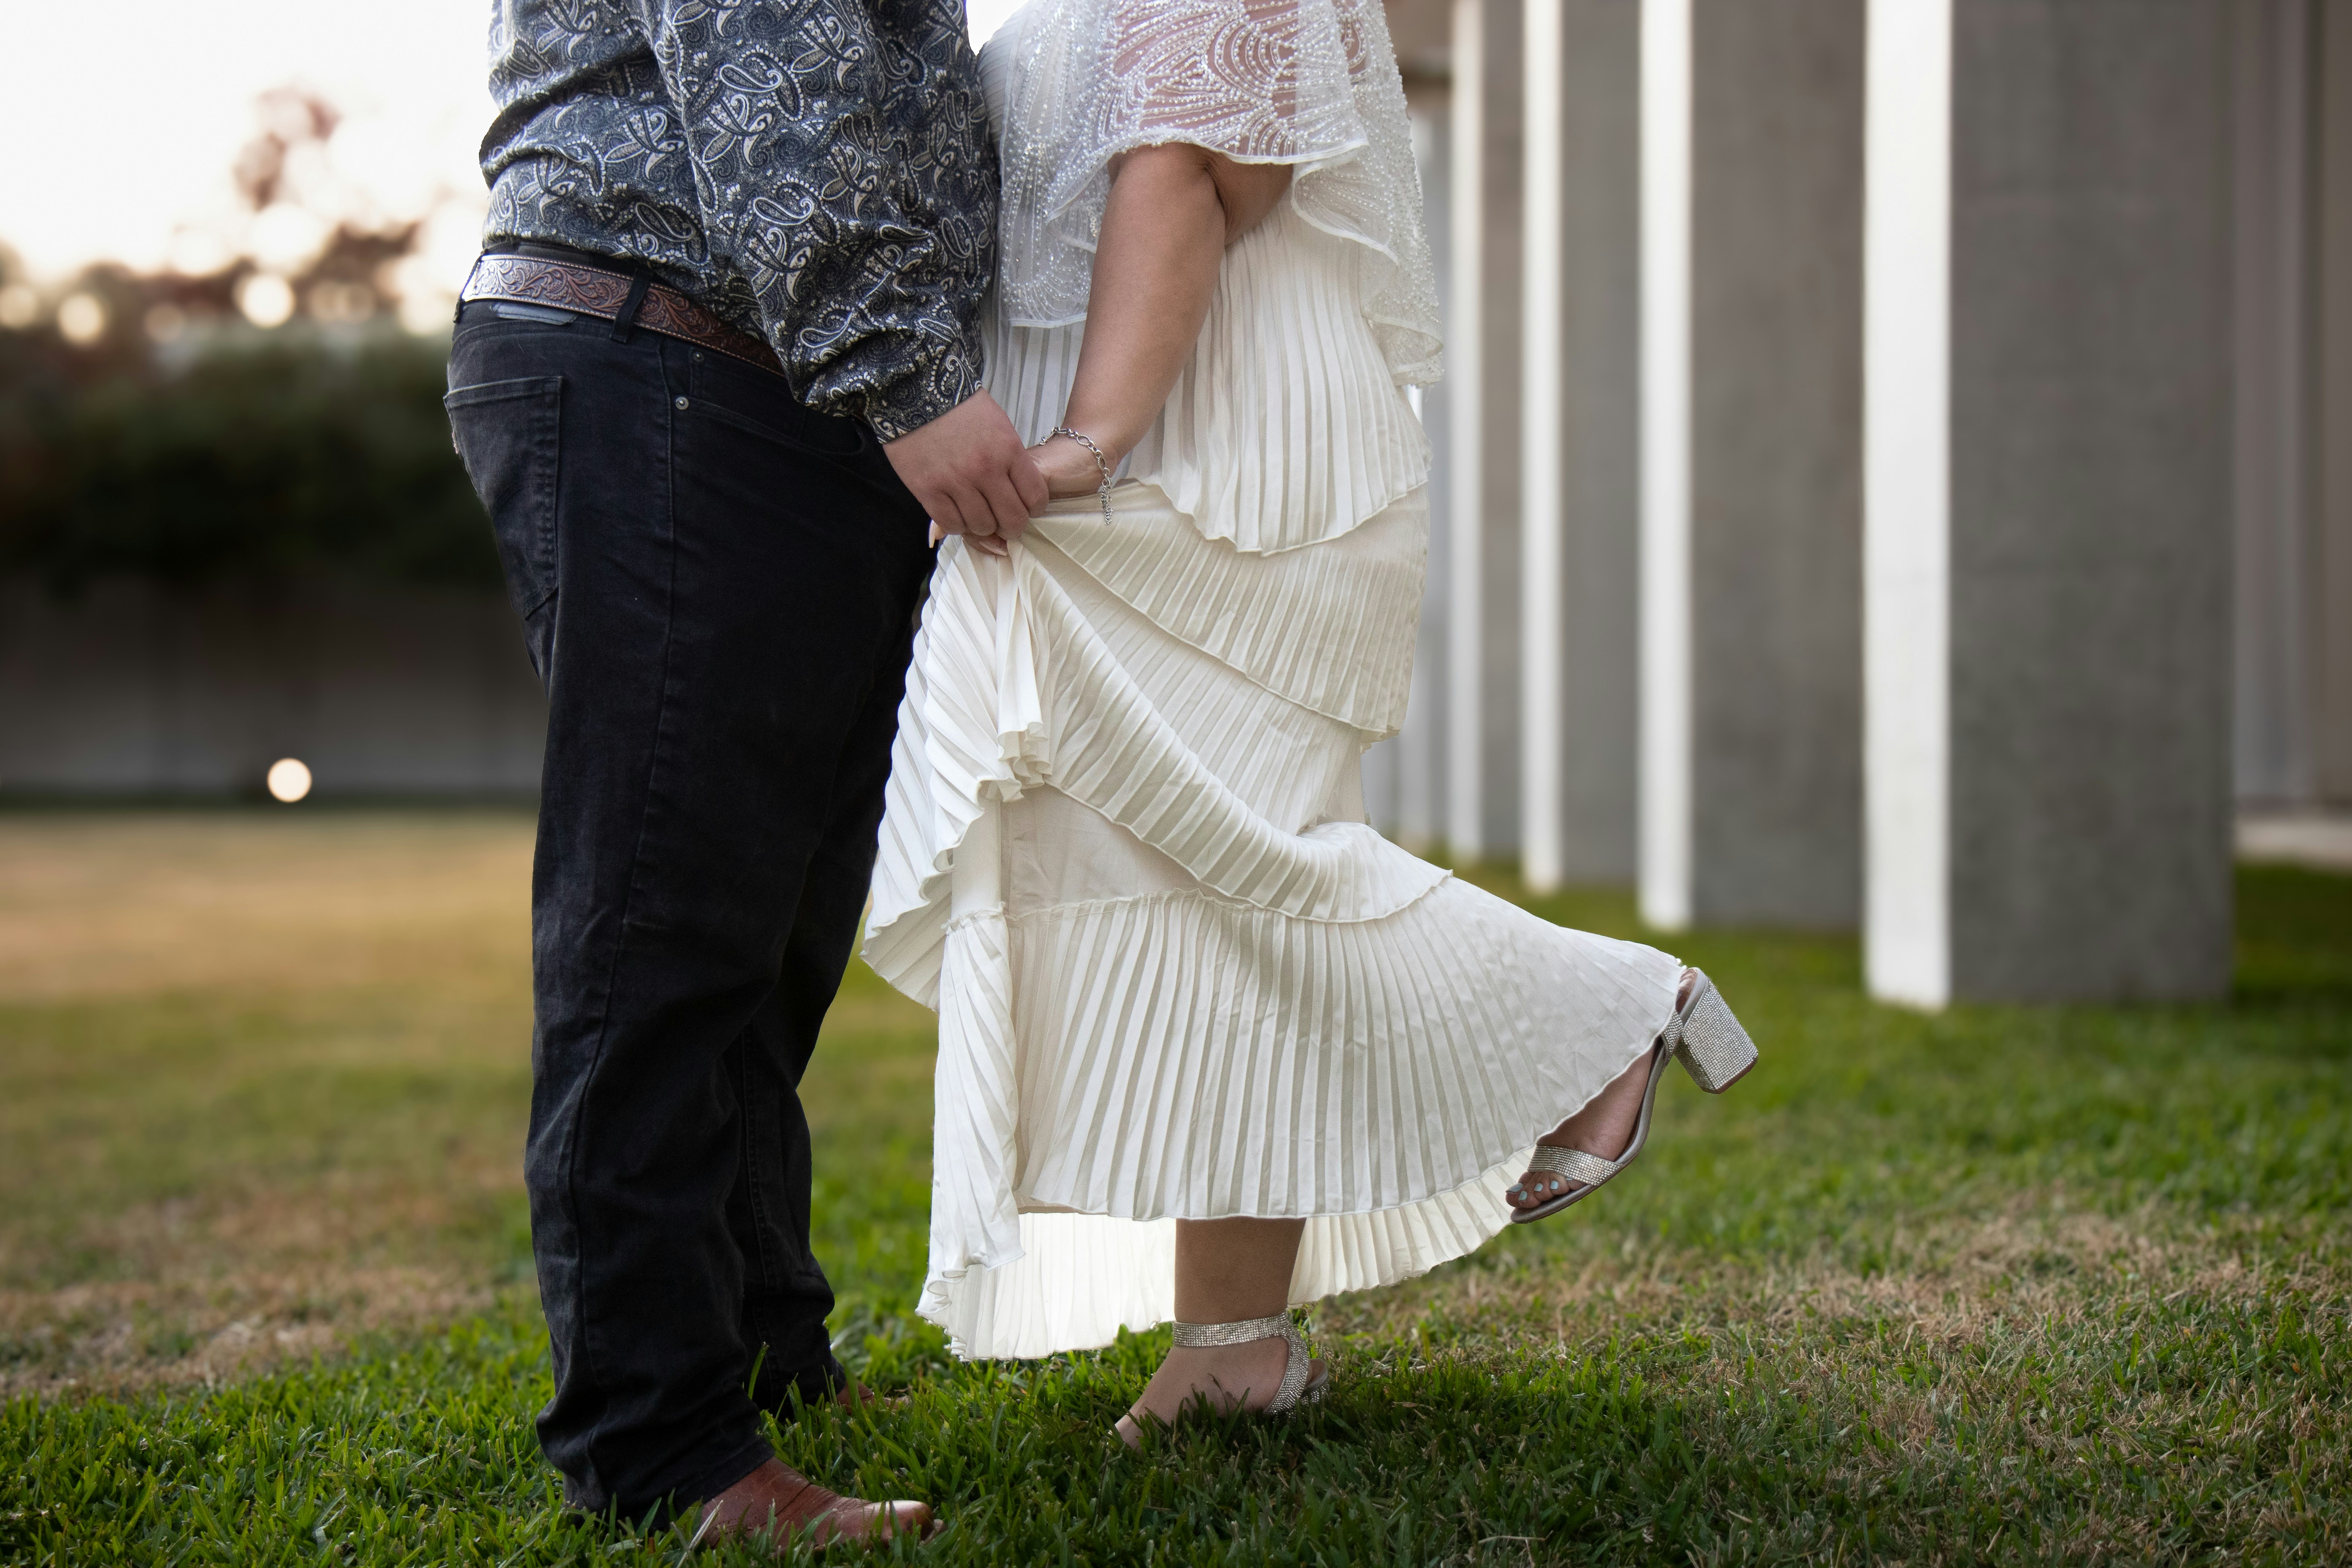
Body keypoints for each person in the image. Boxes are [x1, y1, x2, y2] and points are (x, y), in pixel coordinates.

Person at [865, 0, 1760, 1445]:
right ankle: (1235, 1347)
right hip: (1166, 417)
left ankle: (1607, 1015)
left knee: (1242, 861)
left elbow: (1187, 165)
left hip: (1202, 440)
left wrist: (1094, 437)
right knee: (1213, 888)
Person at [444, 0, 1033, 1546]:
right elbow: (766, 47)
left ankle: (765, 1355)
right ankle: (663, 1448)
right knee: (661, 923)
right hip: (674, 358)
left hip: (745, 378)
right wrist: (902, 365)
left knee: (764, 932)